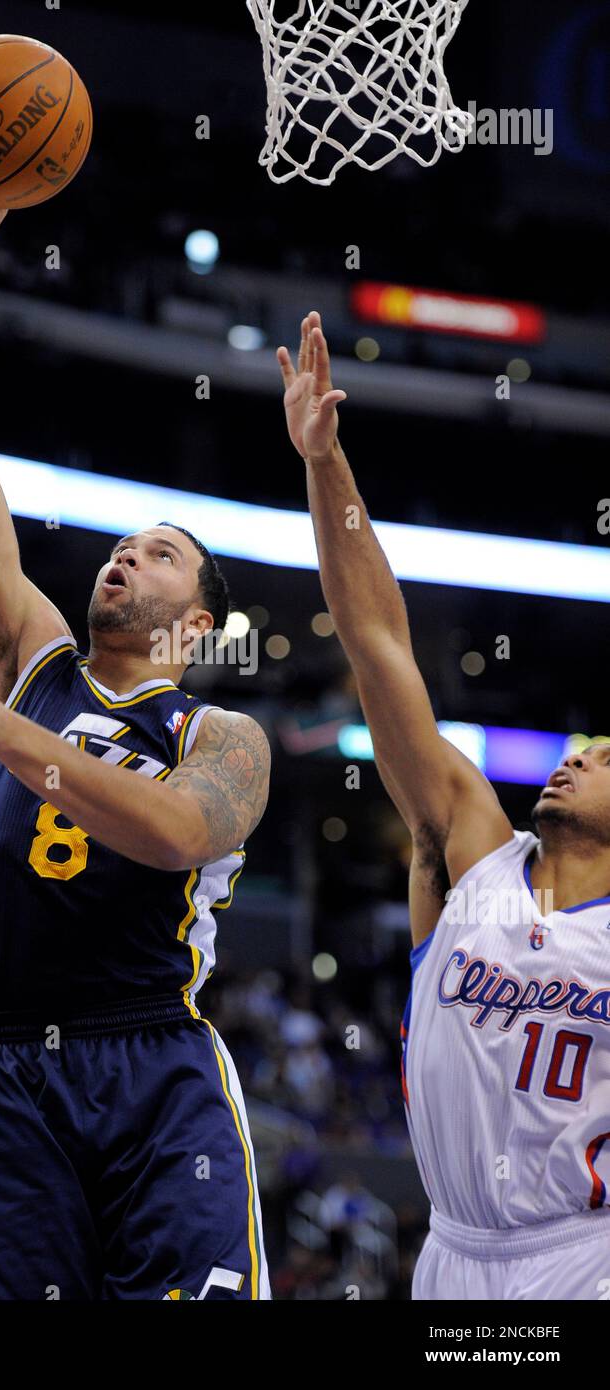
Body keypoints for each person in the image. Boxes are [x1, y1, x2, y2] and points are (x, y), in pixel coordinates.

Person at [0, 135, 272, 1301]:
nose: (121, 559)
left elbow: (173, 836)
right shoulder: (28, 657)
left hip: (155, 1064)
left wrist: (3, 736)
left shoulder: (217, 738)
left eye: (156, 557)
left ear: (194, 626)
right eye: (118, 546)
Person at [278, 309, 610, 1301]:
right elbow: (377, 639)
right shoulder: (471, 848)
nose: (571, 760)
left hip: (582, 1252)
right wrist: (322, 463)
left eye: (599, 757)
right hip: (451, 1251)